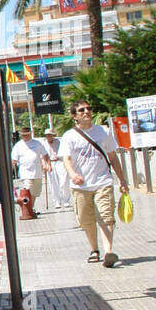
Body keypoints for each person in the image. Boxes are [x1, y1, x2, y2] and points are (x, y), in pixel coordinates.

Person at [59, 103, 130, 267]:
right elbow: (66, 160)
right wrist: (72, 174)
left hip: (102, 181)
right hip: (80, 186)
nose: (87, 112)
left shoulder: (103, 132)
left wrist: (122, 180)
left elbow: (112, 157)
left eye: (88, 108)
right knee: (86, 220)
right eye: (82, 110)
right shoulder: (69, 136)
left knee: (106, 216)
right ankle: (94, 249)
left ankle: (108, 252)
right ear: (74, 116)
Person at [10, 125, 50, 213]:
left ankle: (30, 208)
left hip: (37, 173)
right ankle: (27, 210)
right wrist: (12, 169)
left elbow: (45, 155)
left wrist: (47, 165)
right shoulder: (18, 145)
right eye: (23, 135)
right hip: (25, 173)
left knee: (35, 193)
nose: (25, 136)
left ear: (30, 134)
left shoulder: (37, 143)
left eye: (27, 134)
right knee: (28, 190)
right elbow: (14, 160)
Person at [42, 126, 69, 209]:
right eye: (47, 135)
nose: (49, 136)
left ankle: (66, 200)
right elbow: (42, 156)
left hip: (60, 161)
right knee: (53, 183)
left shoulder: (59, 142)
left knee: (64, 181)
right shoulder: (43, 144)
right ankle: (57, 201)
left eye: (50, 135)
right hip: (50, 163)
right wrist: (45, 165)